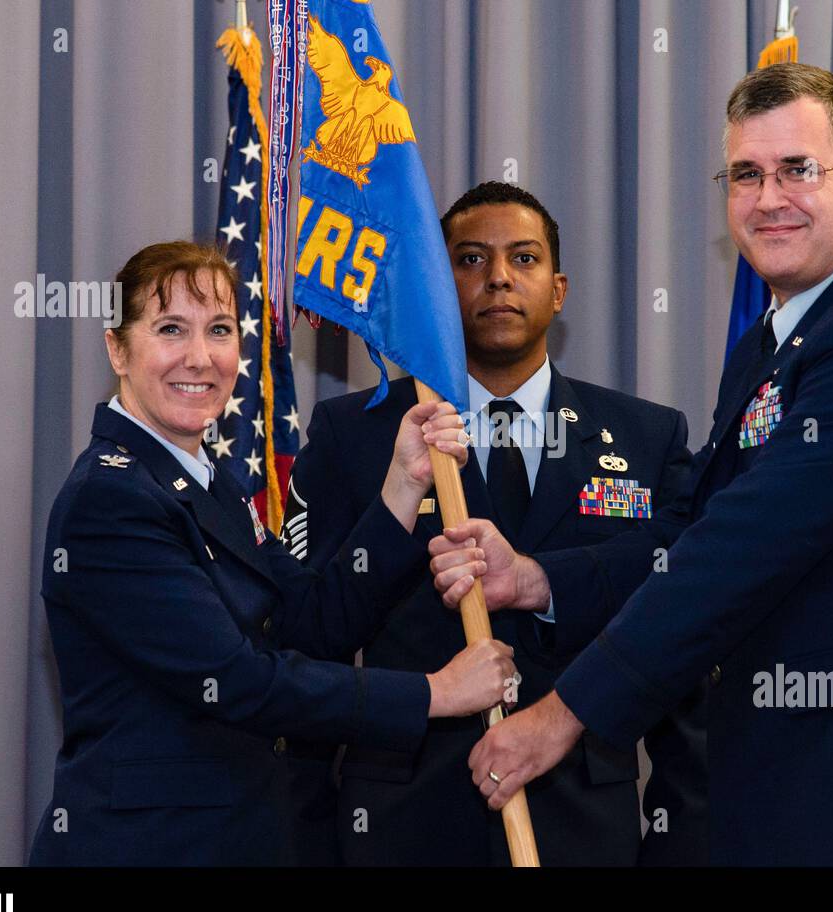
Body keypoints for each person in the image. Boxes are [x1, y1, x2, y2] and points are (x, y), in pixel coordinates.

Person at [431, 64, 833, 865]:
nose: (769, 198)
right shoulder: (774, 344)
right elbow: (691, 530)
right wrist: (534, 579)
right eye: (746, 174)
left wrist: (563, 714)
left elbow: (738, 550)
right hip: (778, 791)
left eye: (798, 169)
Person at [29, 240, 515, 866]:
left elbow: (313, 624)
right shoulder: (112, 498)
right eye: (171, 329)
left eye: (220, 330)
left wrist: (403, 482)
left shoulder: (211, 484)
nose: (200, 357)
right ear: (117, 350)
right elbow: (238, 681)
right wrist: (437, 693)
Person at [281, 183, 707, 865]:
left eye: (524, 258)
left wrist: (681, 837)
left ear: (559, 291)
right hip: (401, 827)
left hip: (583, 827)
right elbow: (310, 638)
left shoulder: (647, 438)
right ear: (436, 287)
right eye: (471, 259)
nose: (499, 278)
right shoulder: (355, 434)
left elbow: (679, 638)